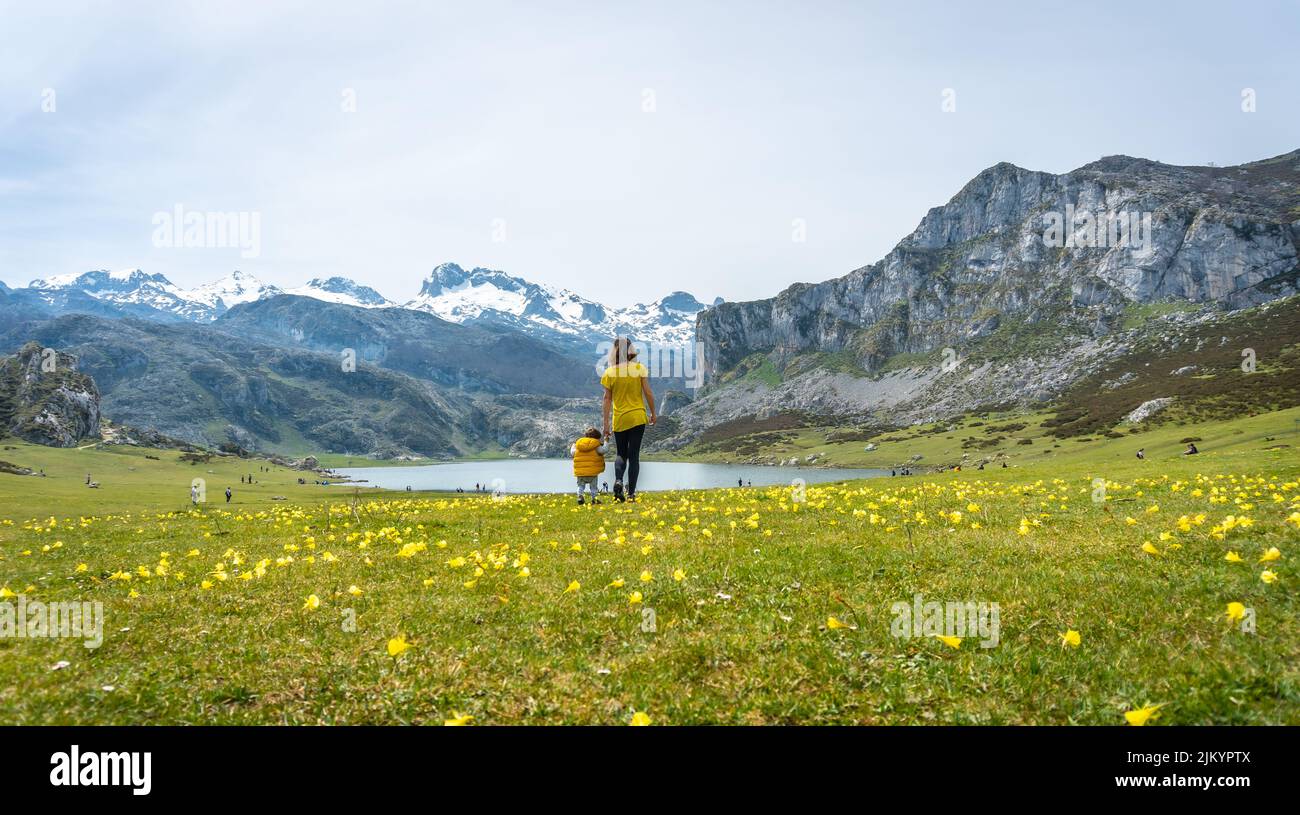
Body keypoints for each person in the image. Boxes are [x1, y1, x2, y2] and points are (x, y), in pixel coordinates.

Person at [601, 338, 656, 503]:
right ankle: (631, 494)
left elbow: (606, 399)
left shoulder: (609, 373)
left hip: (620, 418)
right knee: (634, 456)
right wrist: (653, 412)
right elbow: (648, 392)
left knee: (621, 454)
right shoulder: (639, 368)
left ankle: (618, 480)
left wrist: (606, 424)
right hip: (638, 416)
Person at [570, 427, 607, 505]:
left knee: (580, 486)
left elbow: (572, 453)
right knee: (593, 487)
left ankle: (580, 496)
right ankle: (594, 499)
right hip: (592, 473)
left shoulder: (579, 445)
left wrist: (573, 446)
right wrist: (606, 441)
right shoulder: (596, 445)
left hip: (580, 473)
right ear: (597, 438)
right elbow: (603, 450)